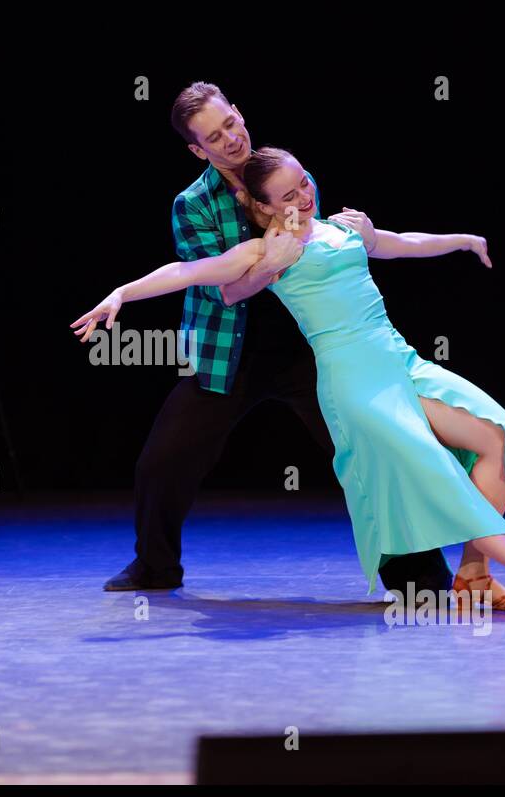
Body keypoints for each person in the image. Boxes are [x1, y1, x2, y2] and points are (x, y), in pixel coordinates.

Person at [74, 146, 505, 622]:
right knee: (439, 477)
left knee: (500, 439)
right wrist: (120, 293)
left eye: (304, 181)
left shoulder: (343, 229)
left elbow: (399, 244)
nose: (304, 195)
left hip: (400, 361)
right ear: (262, 208)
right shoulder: (267, 252)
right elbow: (188, 272)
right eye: (287, 194)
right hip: (354, 384)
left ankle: (474, 576)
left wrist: (462, 240)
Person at [102, 81, 452, 597]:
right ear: (197, 149)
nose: (229, 140)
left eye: (230, 124)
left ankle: (417, 575)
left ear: (240, 114)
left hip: (308, 349)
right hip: (228, 352)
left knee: (367, 451)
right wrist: (268, 267)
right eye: (212, 138)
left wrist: (364, 235)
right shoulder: (193, 204)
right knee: (162, 461)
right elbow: (223, 290)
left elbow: (322, 245)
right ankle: (156, 566)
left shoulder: (285, 172)